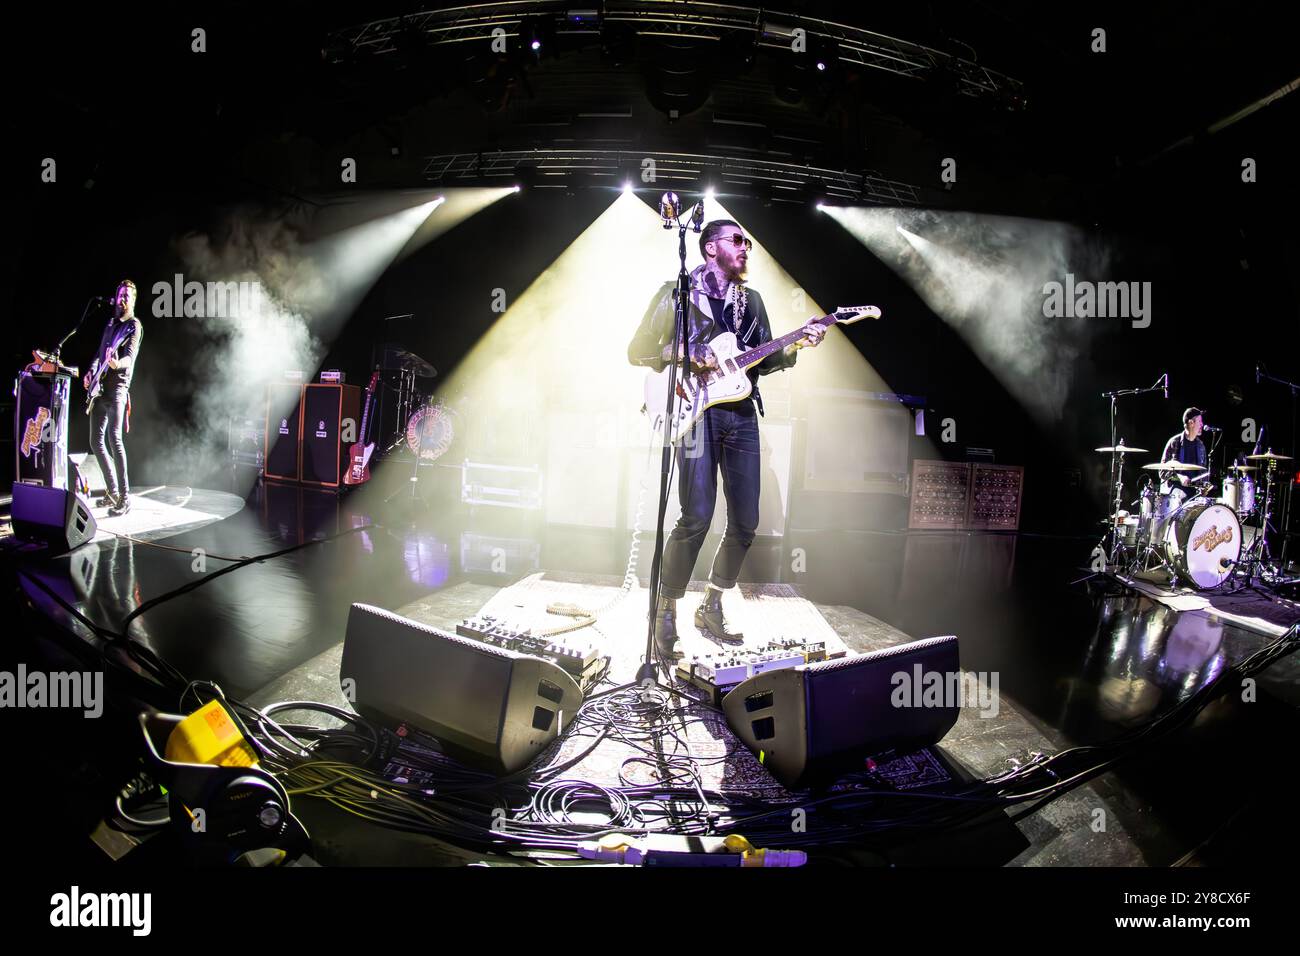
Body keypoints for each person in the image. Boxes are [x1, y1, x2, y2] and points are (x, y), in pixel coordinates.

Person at [627, 220, 825, 660]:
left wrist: (797, 345)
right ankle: (664, 610)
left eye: (749, 243)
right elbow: (637, 348)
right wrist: (679, 352)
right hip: (694, 415)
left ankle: (712, 605)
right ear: (710, 248)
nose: (746, 249)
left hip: (740, 415)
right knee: (695, 515)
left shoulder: (749, 302)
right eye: (737, 241)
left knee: (746, 523)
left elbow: (763, 358)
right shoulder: (675, 294)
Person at [84, 279, 144, 516]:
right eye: (121, 295)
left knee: (114, 439)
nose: (123, 299)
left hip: (118, 388)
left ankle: (125, 497)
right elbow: (100, 354)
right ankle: (112, 491)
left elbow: (130, 357)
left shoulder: (134, 326)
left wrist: (116, 363)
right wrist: (91, 371)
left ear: (133, 300)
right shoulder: (110, 324)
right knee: (95, 442)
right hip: (100, 389)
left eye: (128, 295)